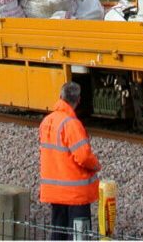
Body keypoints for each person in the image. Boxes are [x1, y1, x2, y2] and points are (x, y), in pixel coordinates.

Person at [39, 81, 101, 240]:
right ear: (78, 100)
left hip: (54, 191)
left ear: (60, 97)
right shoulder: (72, 124)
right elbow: (84, 156)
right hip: (75, 194)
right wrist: (96, 165)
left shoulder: (47, 121)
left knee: (58, 233)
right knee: (79, 236)